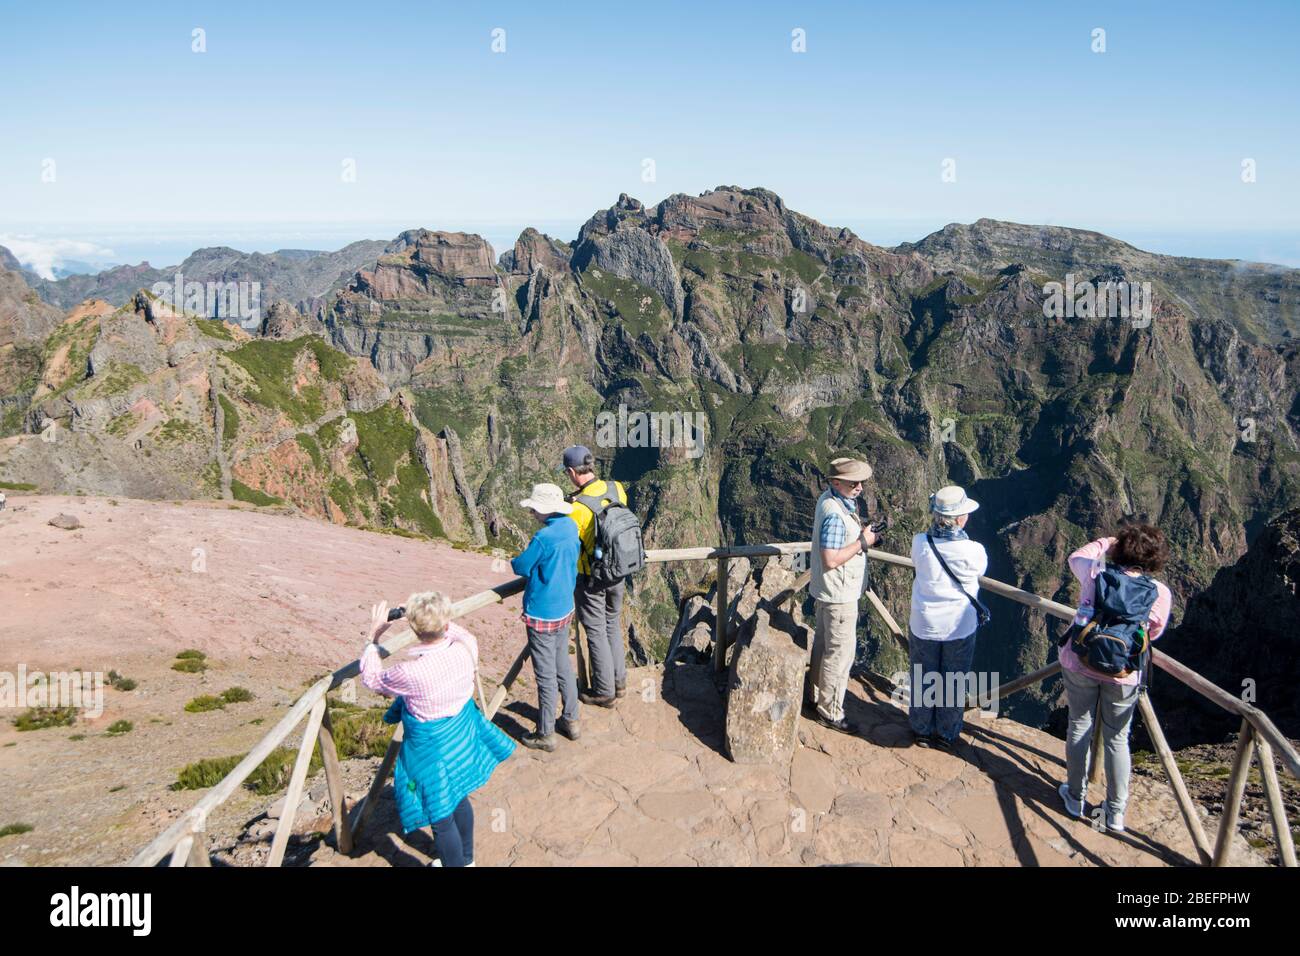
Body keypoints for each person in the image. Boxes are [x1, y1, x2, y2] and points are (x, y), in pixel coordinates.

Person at [361, 590, 515, 867]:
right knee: (458, 797)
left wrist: (373, 637)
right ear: (444, 624)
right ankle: (466, 861)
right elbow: (452, 630)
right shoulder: (467, 645)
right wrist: (429, 613)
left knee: (440, 815)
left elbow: (372, 679)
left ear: (414, 629)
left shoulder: (411, 673)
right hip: (461, 734)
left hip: (431, 749)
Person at [1058, 525, 1172, 833]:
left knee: (1079, 726)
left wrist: (1105, 542)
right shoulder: (1159, 593)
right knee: (1117, 739)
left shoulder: (1095, 574)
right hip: (1123, 674)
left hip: (1080, 663)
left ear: (1119, 550)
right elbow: (1154, 632)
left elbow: (1075, 557)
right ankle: (1115, 812)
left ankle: (1075, 796)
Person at [907, 486, 989, 751]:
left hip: (924, 623)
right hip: (958, 626)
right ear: (961, 518)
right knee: (953, 680)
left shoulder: (920, 542)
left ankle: (921, 730)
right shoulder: (973, 550)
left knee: (923, 676)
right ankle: (946, 733)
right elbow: (980, 571)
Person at [807, 457, 882, 734]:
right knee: (840, 655)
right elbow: (831, 558)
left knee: (823, 647)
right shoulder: (836, 514)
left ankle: (814, 696)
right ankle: (831, 712)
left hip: (827, 592)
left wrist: (862, 536)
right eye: (853, 483)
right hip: (839, 596)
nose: (860, 487)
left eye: (860, 482)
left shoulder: (828, 500)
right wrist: (864, 541)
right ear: (836, 483)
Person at [511, 482, 582, 751]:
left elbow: (522, 566)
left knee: (545, 675)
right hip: (565, 607)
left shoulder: (544, 538)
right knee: (563, 664)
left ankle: (545, 733)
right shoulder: (570, 527)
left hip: (542, 613)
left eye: (534, 509)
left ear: (544, 510)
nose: (532, 513)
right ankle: (572, 720)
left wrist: (512, 561)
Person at [562, 445, 630, 707]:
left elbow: (570, 544)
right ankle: (619, 682)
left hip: (592, 578)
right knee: (612, 624)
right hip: (620, 570)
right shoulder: (617, 488)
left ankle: (604, 692)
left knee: (595, 631)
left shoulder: (576, 509)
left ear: (571, 471)